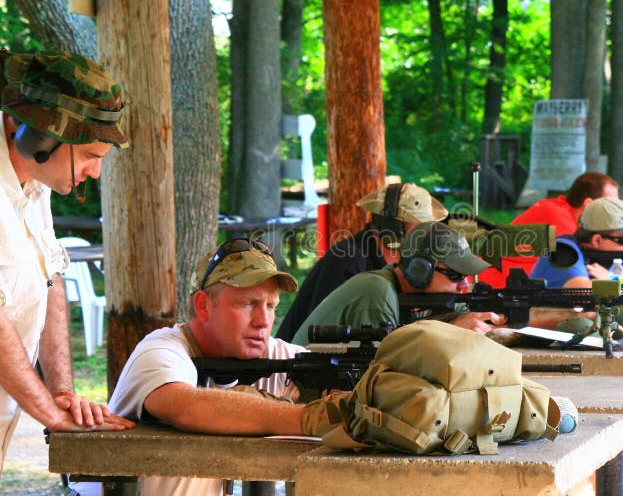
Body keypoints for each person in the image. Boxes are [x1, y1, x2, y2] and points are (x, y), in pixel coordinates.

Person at [103, 238, 336, 494]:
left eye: (271, 306)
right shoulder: (160, 351)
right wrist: (311, 418)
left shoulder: (282, 356)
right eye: (248, 303)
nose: (263, 321)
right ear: (203, 305)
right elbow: (187, 408)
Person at [0, 50, 135, 474]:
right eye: (91, 155)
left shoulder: (35, 183)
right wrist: (51, 415)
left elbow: (50, 278)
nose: (95, 172)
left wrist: (62, 392)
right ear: (39, 138)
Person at [276, 182, 447, 341]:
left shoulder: (394, 264)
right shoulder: (346, 261)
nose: (424, 239)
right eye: (419, 230)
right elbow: (321, 333)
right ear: (391, 230)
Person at [292, 221, 506, 345]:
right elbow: (385, 370)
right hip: (295, 396)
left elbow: (479, 318)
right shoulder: (376, 292)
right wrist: (452, 330)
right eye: (456, 275)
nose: (464, 285)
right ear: (420, 270)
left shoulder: (427, 295)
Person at [479, 172, 623, 287]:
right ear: (589, 204)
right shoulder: (557, 217)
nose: (616, 208)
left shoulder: (559, 209)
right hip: (496, 291)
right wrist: (619, 226)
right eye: (611, 203)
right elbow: (584, 281)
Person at [530, 197, 623, 294]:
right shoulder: (561, 249)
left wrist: (612, 279)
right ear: (597, 240)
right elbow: (580, 291)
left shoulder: (619, 255)